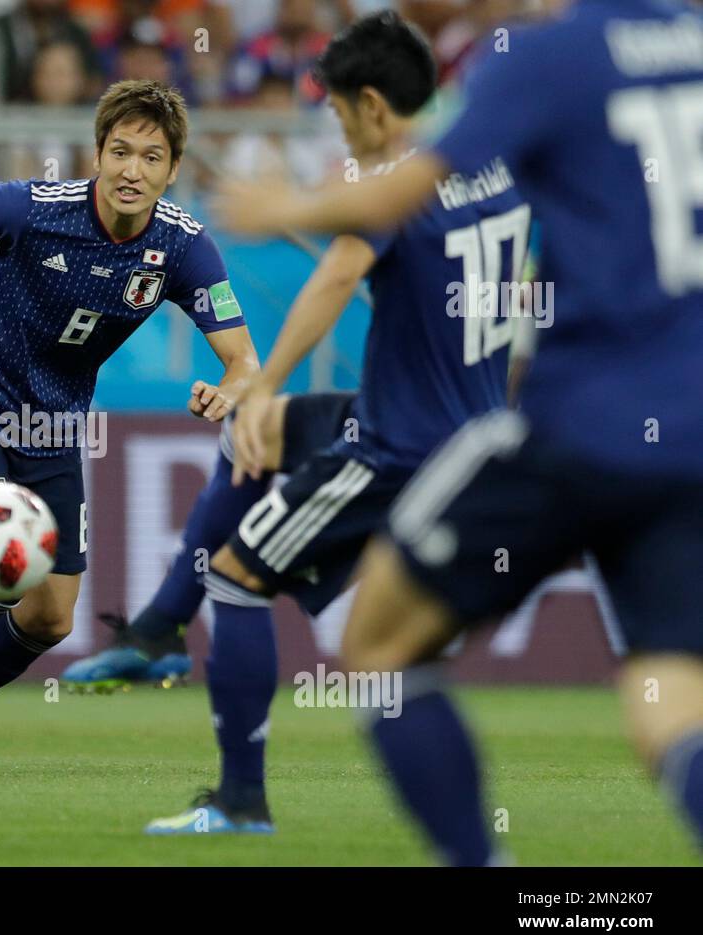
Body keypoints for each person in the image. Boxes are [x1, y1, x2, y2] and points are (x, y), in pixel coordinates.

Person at [213, 0, 703, 863]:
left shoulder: (554, 57)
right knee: (669, 694)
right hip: (691, 438)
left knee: (377, 643)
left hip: (577, 426)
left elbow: (412, 180)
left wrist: (286, 203)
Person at [146, 10, 529, 834]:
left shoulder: (399, 181)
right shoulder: (492, 168)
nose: (338, 128)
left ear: (374, 107)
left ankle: (241, 803)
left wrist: (259, 381)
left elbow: (336, 277)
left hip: (394, 450)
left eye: (339, 112)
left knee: (237, 579)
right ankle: (153, 628)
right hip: (477, 446)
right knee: (392, 645)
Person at [0, 79, 261, 773]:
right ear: (96, 153)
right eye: (121, 151)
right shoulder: (37, 209)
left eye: (152, 157)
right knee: (3, 567)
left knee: (50, 618)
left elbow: (245, 360)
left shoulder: (183, 247)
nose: (133, 170)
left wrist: (227, 392)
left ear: (172, 169)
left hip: (53, 431)